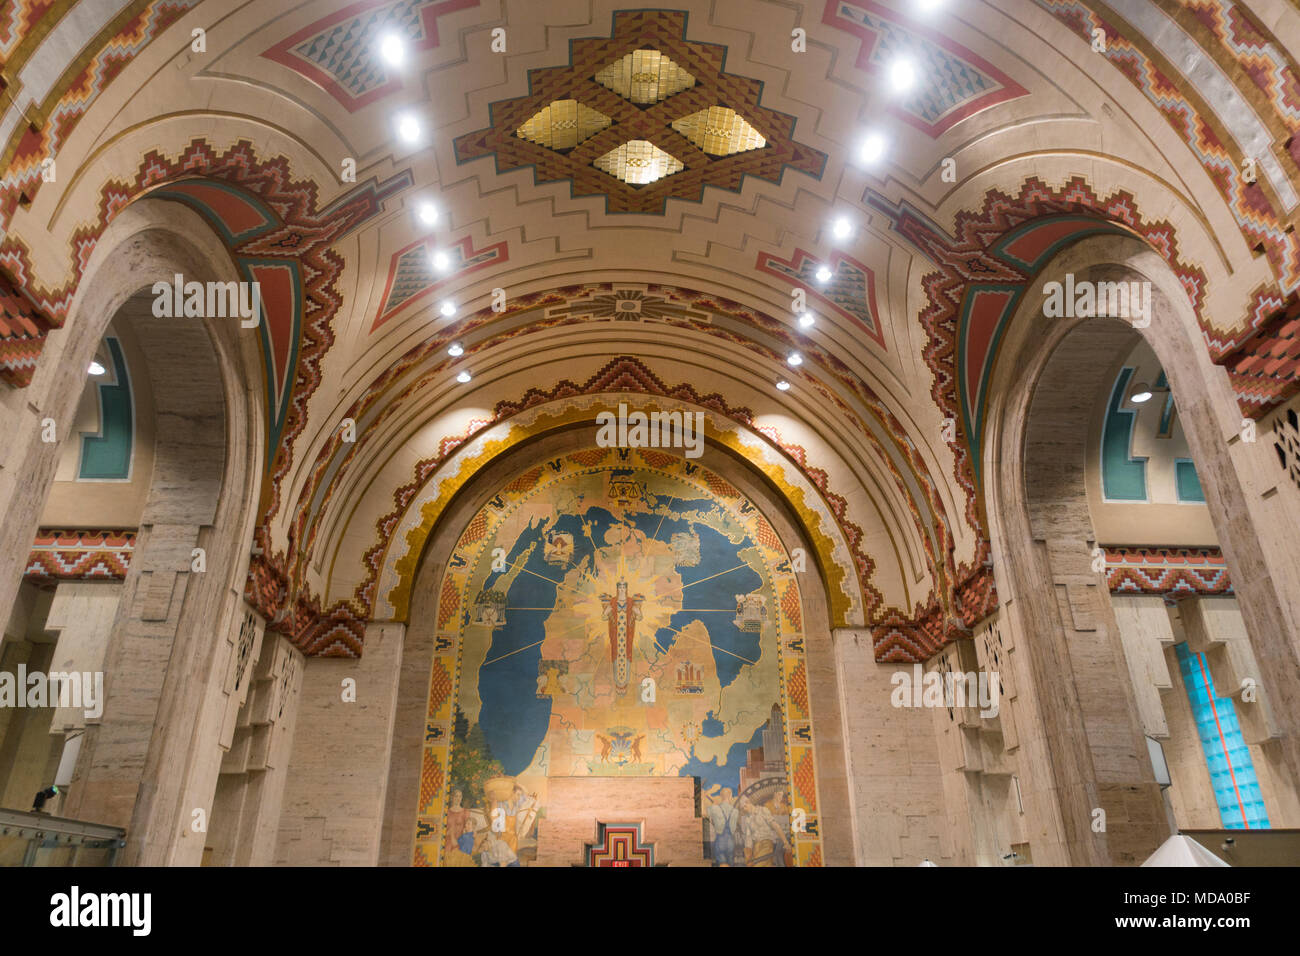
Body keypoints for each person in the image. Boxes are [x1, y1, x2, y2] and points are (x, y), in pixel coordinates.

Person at [705, 787, 738, 866]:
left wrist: (713, 805)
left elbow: (704, 814)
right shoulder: (735, 811)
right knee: (730, 863)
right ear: (730, 796)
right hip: (731, 842)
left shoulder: (714, 808)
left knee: (722, 863)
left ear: (720, 796)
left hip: (720, 841)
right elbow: (733, 828)